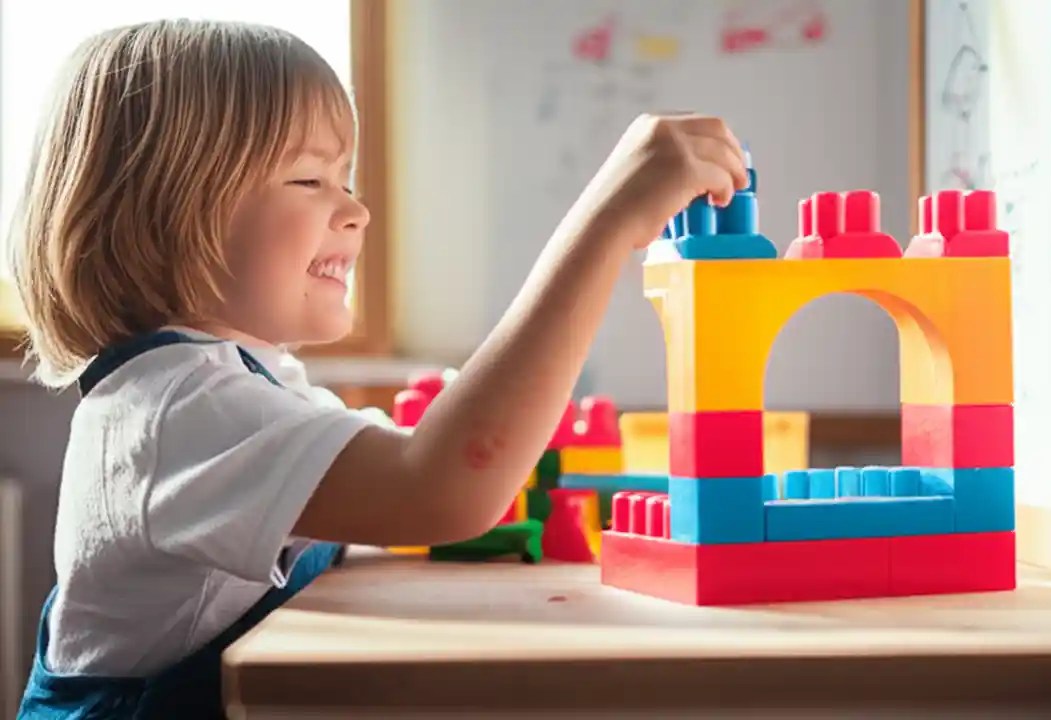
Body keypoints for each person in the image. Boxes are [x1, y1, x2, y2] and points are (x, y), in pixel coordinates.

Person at [10, 18, 747, 718]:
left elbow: (407, 483)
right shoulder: (179, 407)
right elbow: (440, 486)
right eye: (308, 181)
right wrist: (606, 223)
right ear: (163, 212)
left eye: (348, 179)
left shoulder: (234, 383)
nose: (356, 209)